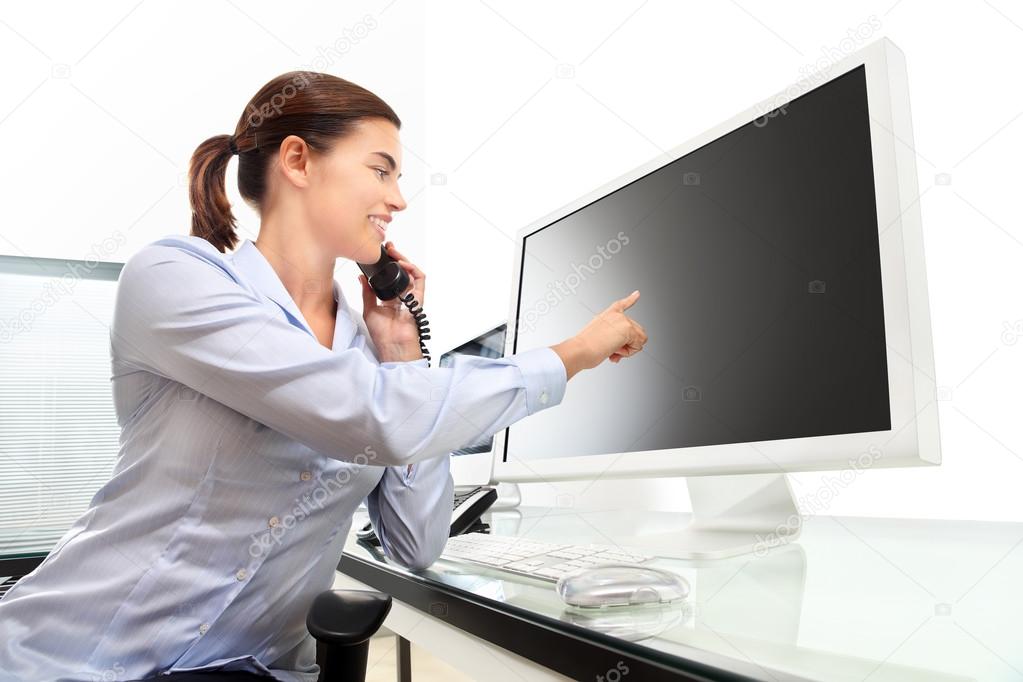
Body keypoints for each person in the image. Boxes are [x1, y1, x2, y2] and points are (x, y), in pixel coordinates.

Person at [0, 71, 647, 681]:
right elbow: (376, 417)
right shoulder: (177, 279)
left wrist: (403, 355)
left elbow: (416, 544)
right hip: (77, 660)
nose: (397, 199)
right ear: (298, 161)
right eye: (381, 170)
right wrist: (572, 354)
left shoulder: (370, 353)